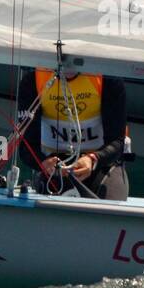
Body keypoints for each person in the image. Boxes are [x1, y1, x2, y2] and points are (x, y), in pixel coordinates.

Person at [16, 68, 129, 200]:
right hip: (56, 168)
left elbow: (118, 142)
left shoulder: (108, 79)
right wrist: (44, 162)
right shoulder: (33, 80)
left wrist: (92, 159)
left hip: (101, 163)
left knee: (109, 203)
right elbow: (26, 146)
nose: (68, 64)